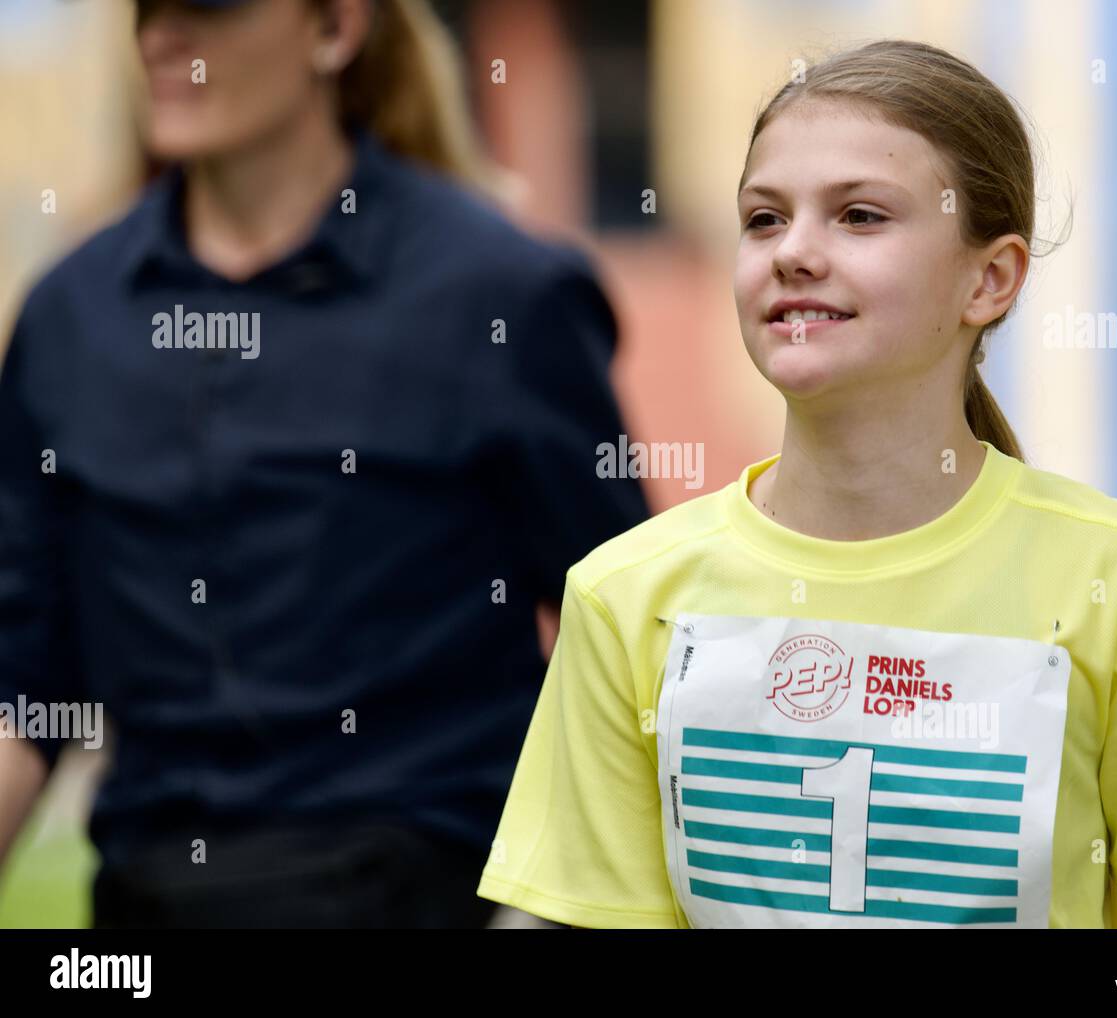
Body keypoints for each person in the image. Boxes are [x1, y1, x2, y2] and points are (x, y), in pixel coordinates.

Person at [476, 39, 1117, 929]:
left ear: (991, 278)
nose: (793, 252)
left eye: (859, 216)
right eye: (763, 218)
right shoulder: (622, 596)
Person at [0, 0, 648, 928]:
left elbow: (627, 647)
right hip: (144, 921)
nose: (160, 35)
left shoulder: (501, 295)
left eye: (210, 5)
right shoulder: (70, 314)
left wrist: (540, 920)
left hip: (432, 899)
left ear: (334, 29)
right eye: (146, 6)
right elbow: (22, 676)